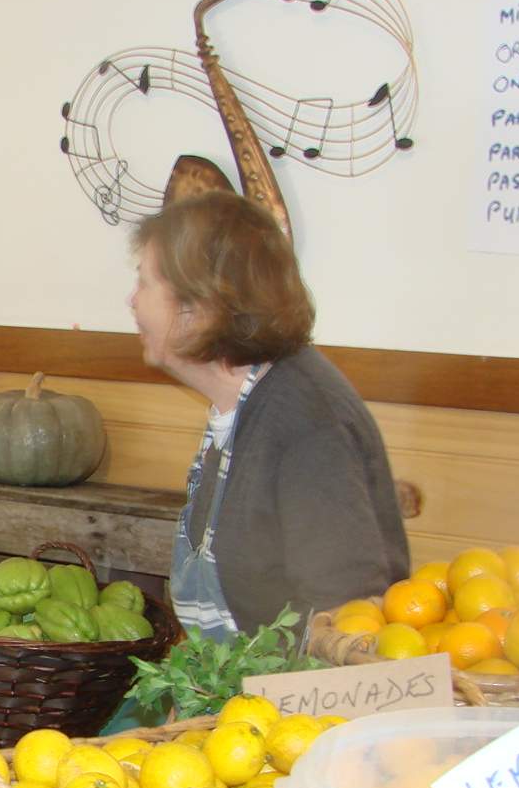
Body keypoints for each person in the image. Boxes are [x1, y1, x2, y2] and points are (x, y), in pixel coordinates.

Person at [127, 190, 408, 640]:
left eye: (144, 283)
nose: (132, 301)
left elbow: (348, 617)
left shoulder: (308, 422)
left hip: (287, 707)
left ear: (197, 306)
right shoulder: (240, 402)